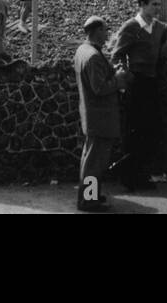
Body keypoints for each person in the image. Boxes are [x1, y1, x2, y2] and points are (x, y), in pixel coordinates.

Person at [110, 0, 167, 192]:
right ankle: (130, 176)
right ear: (142, 4)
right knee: (134, 131)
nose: (157, 8)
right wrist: (126, 74)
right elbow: (116, 55)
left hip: (152, 82)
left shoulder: (159, 28)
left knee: (150, 131)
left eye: (159, 4)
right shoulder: (130, 27)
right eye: (154, 4)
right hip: (137, 83)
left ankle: (143, 173)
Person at [74, 16, 125, 212]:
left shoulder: (83, 50)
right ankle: (89, 200)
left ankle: (90, 194)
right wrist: (118, 79)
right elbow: (99, 88)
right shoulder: (93, 56)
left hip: (92, 115)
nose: (107, 34)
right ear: (96, 31)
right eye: (105, 30)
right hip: (100, 116)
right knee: (95, 162)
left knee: (90, 158)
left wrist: (111, 71)